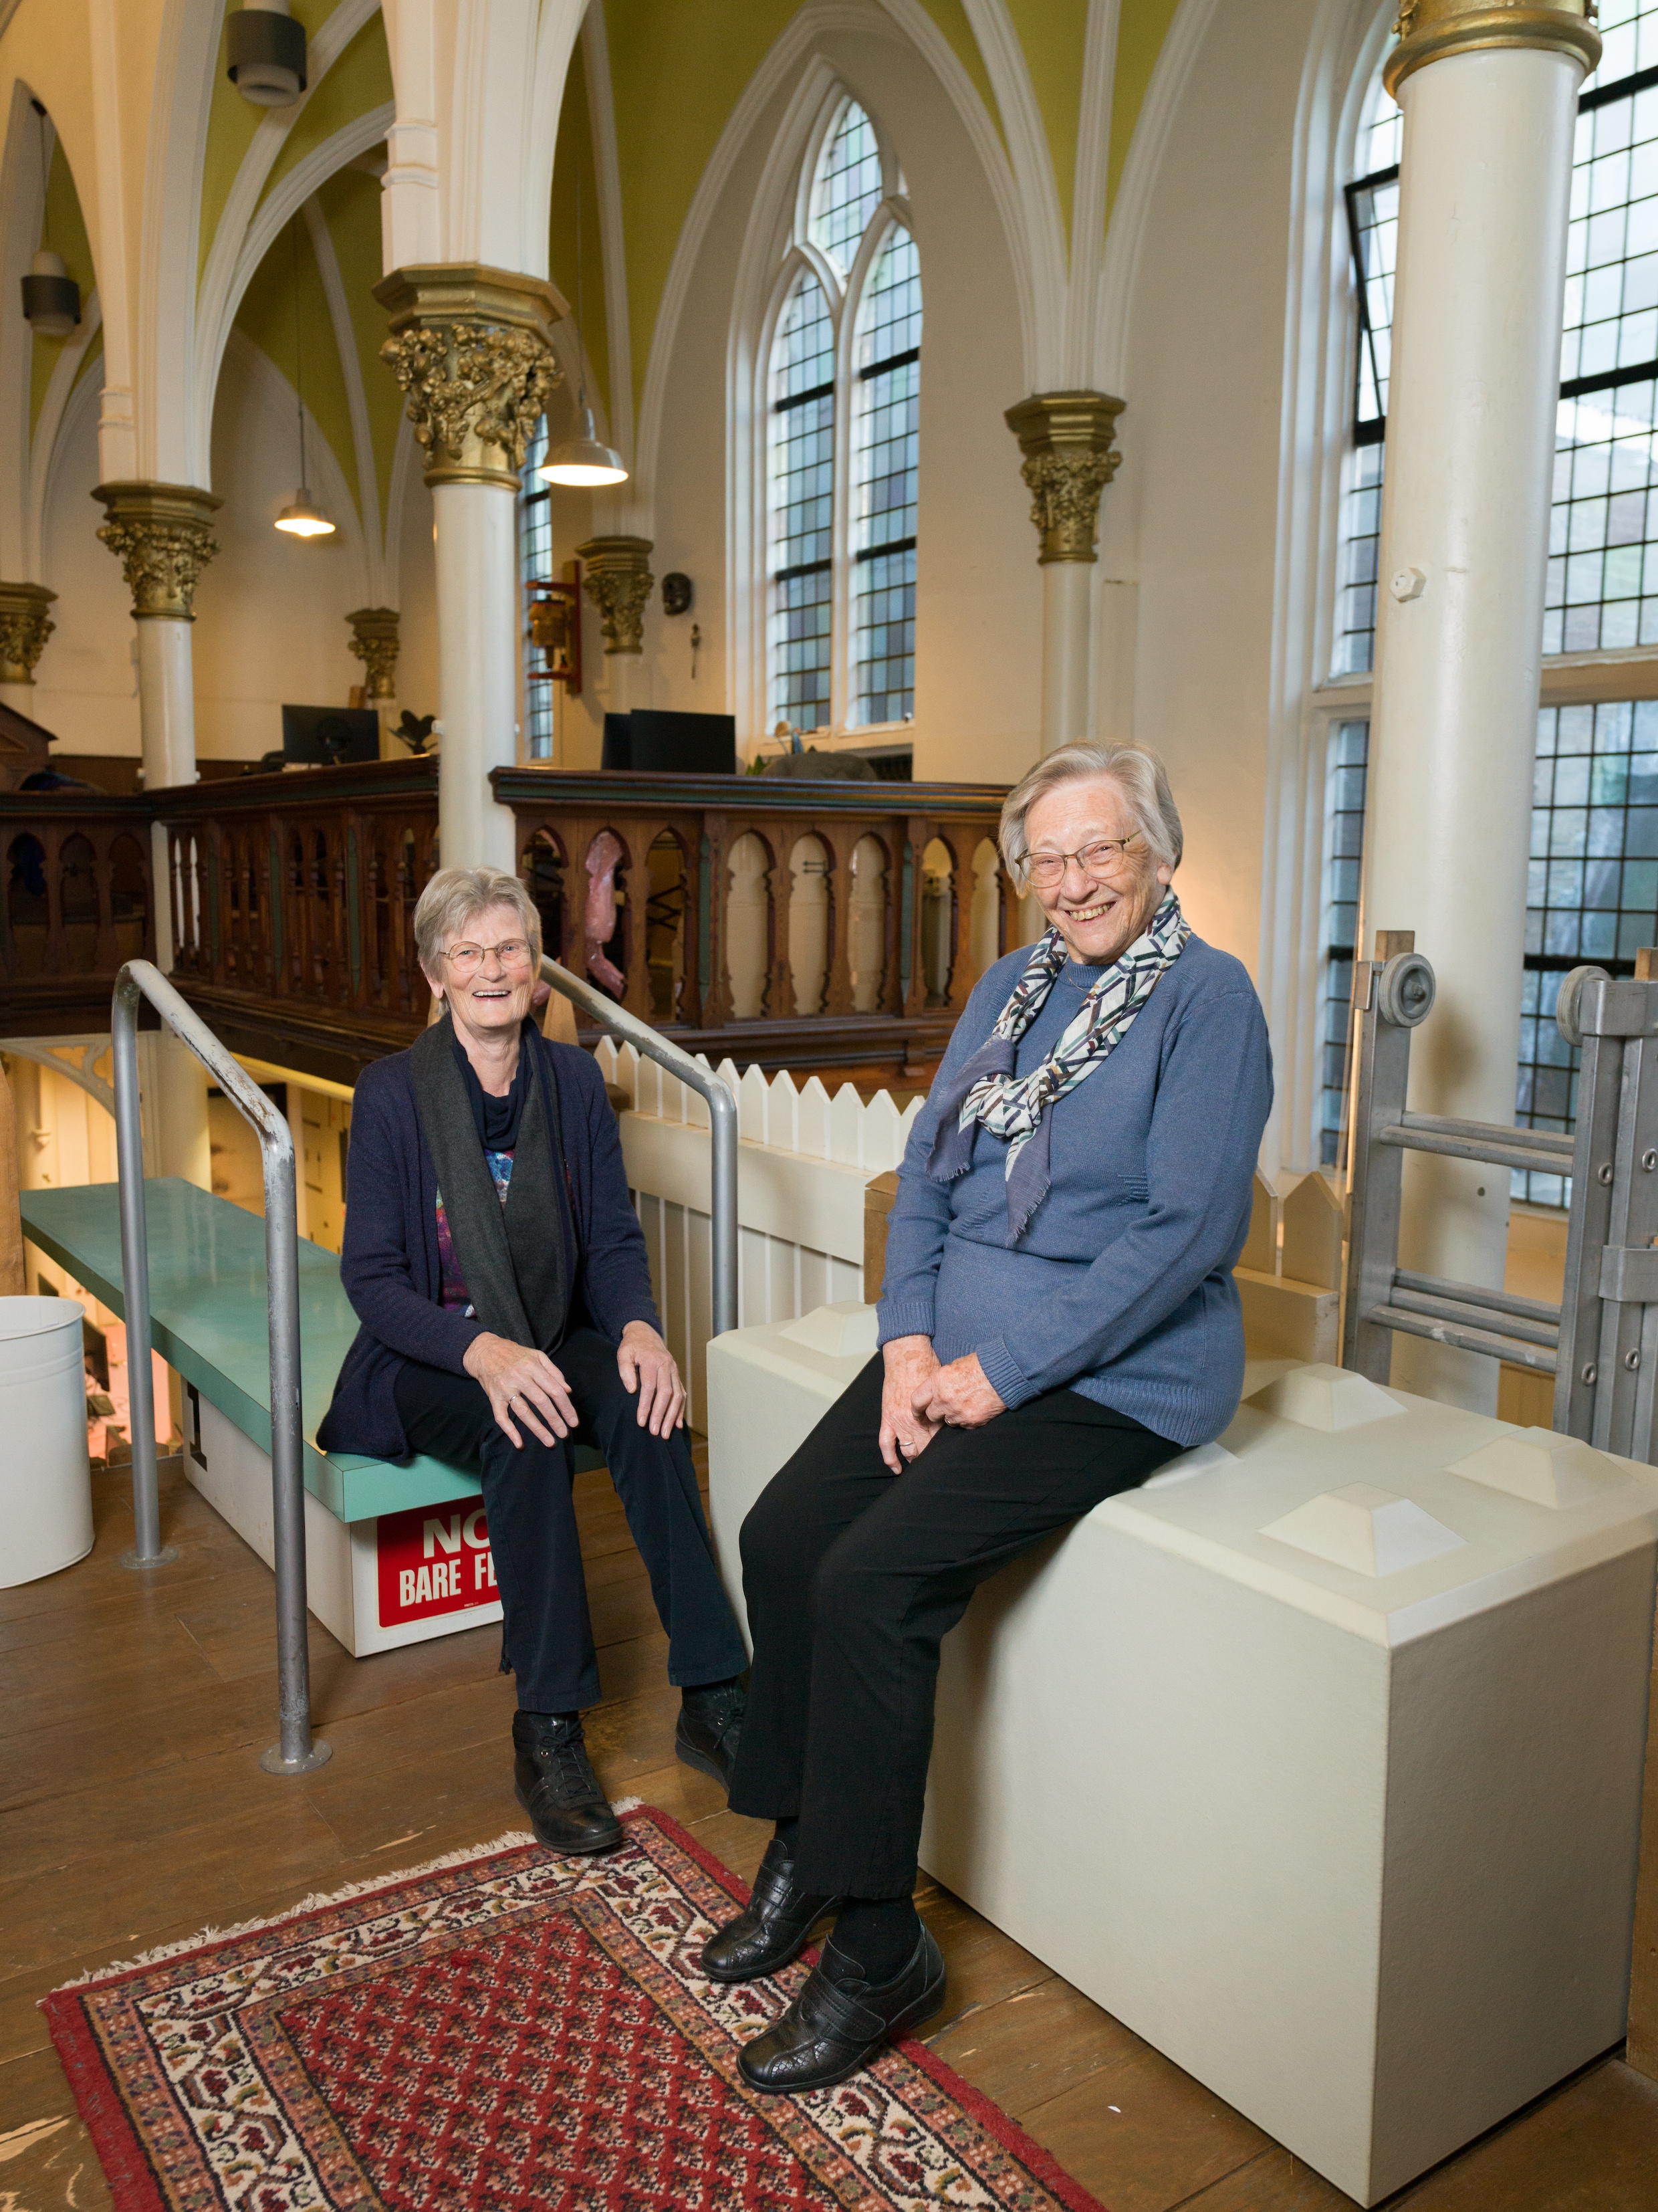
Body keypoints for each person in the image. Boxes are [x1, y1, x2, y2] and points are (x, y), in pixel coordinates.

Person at [705, 741, 1274, 2094]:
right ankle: (804, 1842)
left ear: (1159, 852)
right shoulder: (1009, 990)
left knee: (871, 1578)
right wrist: (905, 1339)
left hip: (1111, 1370)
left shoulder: (1207, 1001)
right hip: (954, 1344)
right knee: (785, 1533)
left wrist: (998, 1372)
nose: (1073, 881)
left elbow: (1182, 1233)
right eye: (1048, 856)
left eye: (1103, 848)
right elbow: (932, 1170)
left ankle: (882, 1948)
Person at [318, 865, 749, 1854]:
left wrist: (638, 1327)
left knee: (648, 1403)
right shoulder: (391, 1095)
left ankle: (716, 1690)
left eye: (508, 948)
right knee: (524, 1426)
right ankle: (549, 1725)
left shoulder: (570, 1080)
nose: (490, 969)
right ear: (434, 974)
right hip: (432, 1351)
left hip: (554, 1332)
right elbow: (375, 1281)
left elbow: (609, 1238)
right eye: (466, 953)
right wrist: (481, 1352)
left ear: (538, 970)